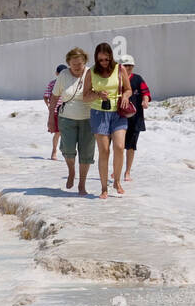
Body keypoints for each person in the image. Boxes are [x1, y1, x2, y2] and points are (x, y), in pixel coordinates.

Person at [82, 41, 130, 198]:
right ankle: (104, 188)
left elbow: (128, 89)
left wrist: (125, 96)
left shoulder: (120, 69)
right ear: (96, 59)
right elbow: (85, 96)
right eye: (100, 60)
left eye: (106, 59)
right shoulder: (91, 72)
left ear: (111, 57)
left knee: (119, 146)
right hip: (99, 113)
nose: (103, 63)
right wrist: (97, 95)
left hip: (118, 113)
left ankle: (116, 180)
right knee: (104, 151)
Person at [55, 47, 95, 195]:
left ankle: (82, 184)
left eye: (80, 63)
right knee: (68, 150)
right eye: (74, 64)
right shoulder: (64, 75)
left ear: (85, 61)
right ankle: (71, 171)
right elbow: (54, 96)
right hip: (66, 118)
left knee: (86, 153)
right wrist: (50, 119)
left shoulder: (91, 73)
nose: (77, 67)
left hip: (88, 119)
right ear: (68, 63)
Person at [119, 55, 151, 181]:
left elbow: (146, 92)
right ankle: (118, 169)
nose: (128, 68)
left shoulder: (138, 79)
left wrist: (145, 101)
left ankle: (127, 172)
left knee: (131, 146)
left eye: (130, 66)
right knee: (119, 146)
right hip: (119, 118)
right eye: (125, 66)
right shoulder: (116, 80)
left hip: (135, 118)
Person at [44, 64, 67, 159]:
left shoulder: (69, 84)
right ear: (57, 74)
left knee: (66, 133)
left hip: (68, 111)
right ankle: (54, 151)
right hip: (56, 111)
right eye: (60, 73)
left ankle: (66, 152)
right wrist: (50, 108)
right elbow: (46, 96)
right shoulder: (52, 83)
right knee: (58, 133)